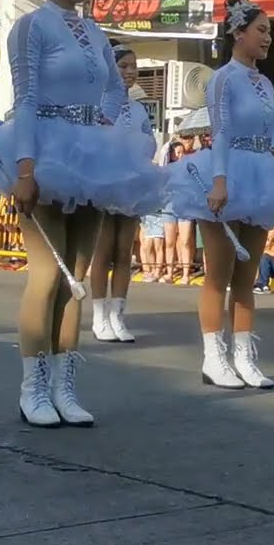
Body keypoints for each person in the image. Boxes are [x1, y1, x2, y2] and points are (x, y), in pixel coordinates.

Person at [0, 0, 166, 429]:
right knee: (48, 275)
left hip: (88, 153)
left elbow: (115, 92)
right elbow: (27, 100)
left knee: (76, 277)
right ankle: (33, 387)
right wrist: (26, 169)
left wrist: (101, 126)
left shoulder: (95, 33)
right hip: (44, 151)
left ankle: (64, 386)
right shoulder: (31, 27)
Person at [164, 0, 274, 390]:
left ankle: (245, 357)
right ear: (238, 33)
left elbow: (271, 132)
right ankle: (214, 358)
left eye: (270, 31)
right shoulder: (223, 79)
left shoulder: (265, 82)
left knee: (247, 277)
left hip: (261, 174)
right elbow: (222, 134)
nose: (268, 38)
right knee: (218, 274)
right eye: (261, 30)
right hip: (226, 171)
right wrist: (220, 182)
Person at [91, 43, 158, 343]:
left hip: (131, 182)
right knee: (102, 251)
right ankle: (98, 316)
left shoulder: (139, 108)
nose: (130, 72)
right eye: (124, 66)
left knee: (123, 252)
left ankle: (118, 315)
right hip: (104, 181)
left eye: (134, 67)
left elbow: (149, 143)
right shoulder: (100, 102)